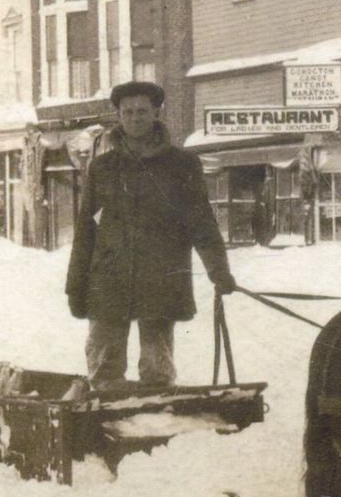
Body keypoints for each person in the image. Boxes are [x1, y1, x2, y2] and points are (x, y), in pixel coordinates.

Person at [66, 81, 236, 389]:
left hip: (161, 279)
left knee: (158, 374)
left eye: (142, 111)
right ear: (118, 115)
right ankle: (105, 431)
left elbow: (202, 224)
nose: (134, 118)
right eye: (127, 111)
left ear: (156, 112)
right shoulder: (102, 167)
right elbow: (86, 232)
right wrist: (75, 286)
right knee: (104, 372)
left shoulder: (181, 165)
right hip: (109, 280)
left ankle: (153, 432)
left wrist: (218, 269)